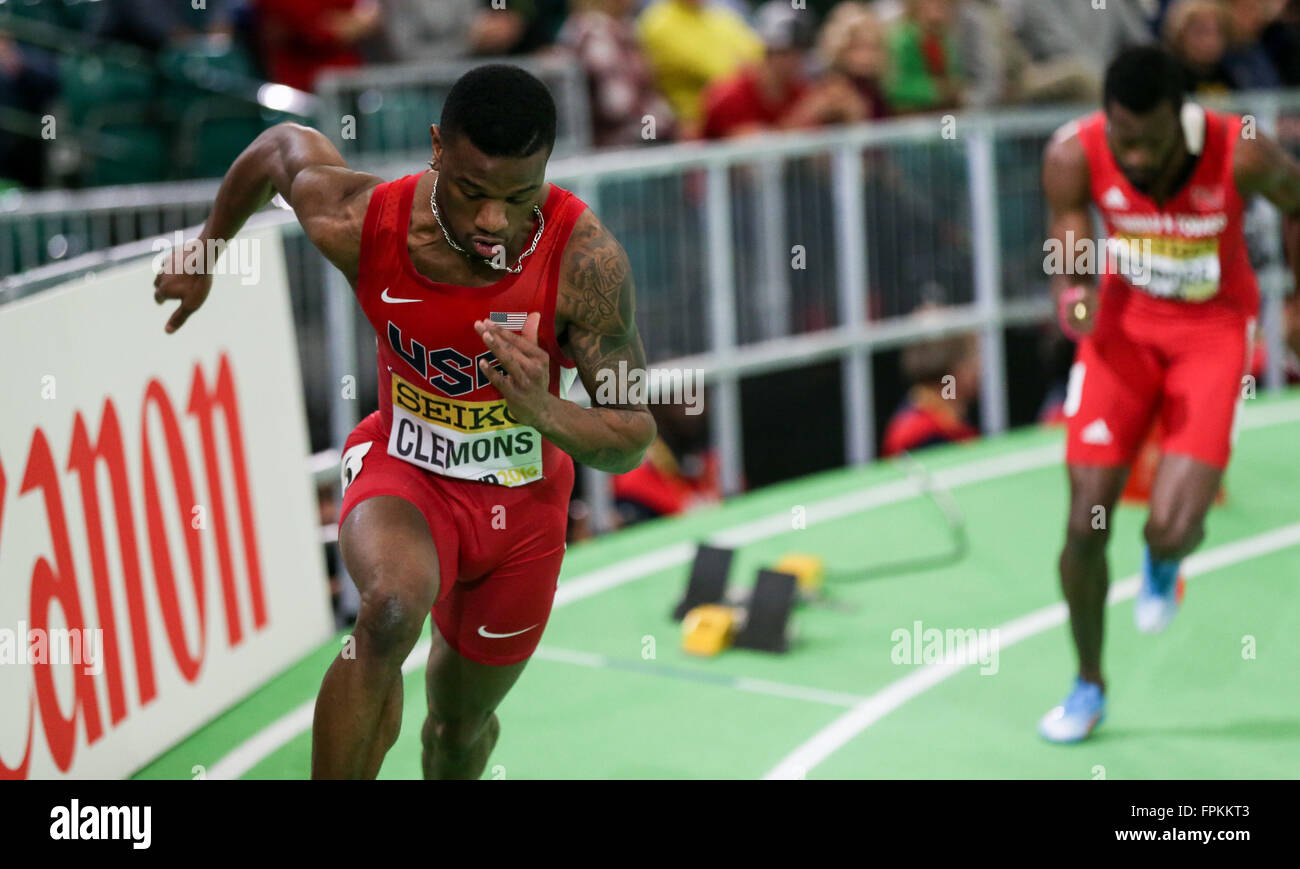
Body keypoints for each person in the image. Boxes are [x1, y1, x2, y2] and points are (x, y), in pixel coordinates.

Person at [152, 65, 657, 778]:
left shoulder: (585, 260)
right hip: (405, 469)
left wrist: (541, 407)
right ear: (436, 150)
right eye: (473, 191)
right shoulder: (362, 221)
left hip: (524, 509)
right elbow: (278, 149)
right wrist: (207, 250)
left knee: (456, 730)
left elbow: (634, 432)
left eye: (519, 197)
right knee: (389, 607)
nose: (493, 220)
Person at [1038, 45, 1300, 742]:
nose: (1139, 158)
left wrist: (1297, 303)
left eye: (1151, 144)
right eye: (1125, 142)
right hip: (1122, 335)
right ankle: (1088, 684)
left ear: (1181, 117)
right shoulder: (1073, 153)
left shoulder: (1240, 152)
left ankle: (1164, 557)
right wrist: (1074, 291)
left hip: (1212, 334)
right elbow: (1068, 232)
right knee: (1084, 523)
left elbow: (1297, 203)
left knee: (1173, 523)